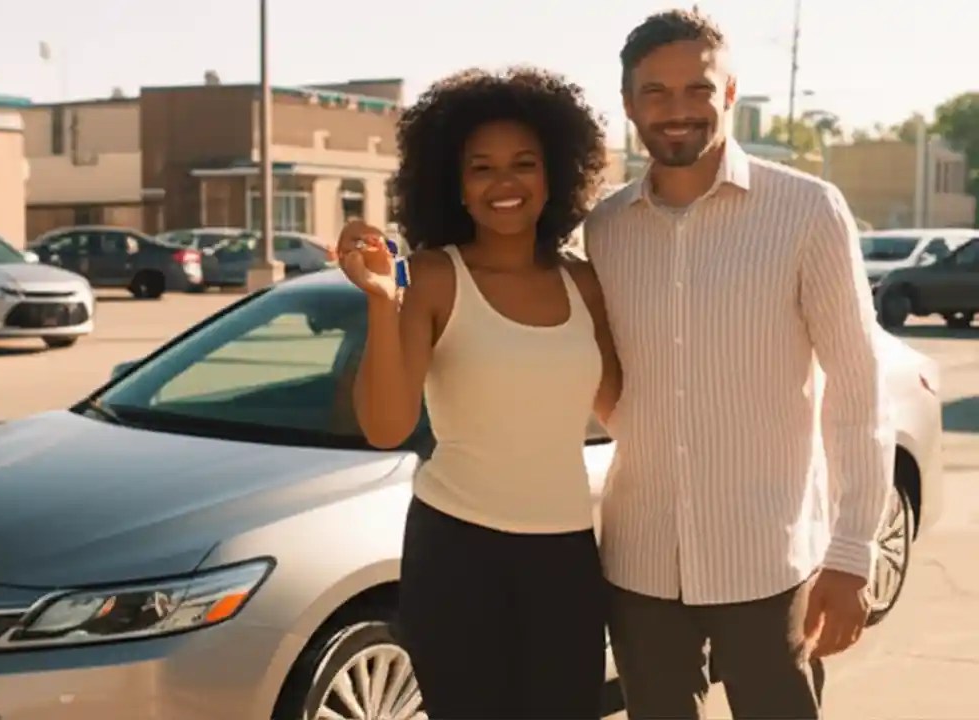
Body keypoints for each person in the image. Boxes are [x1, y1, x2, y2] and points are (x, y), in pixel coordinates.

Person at [585, 8, 894, 719]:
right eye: (655, 92)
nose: (677, 110)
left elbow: (857, 387)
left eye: (697, 88)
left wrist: (851, 552)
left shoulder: (808, 210)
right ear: (629, 104)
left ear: (729, 93)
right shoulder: (603, 228)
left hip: (766, 556)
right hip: (639, 559)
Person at [337, 67, 620, 719]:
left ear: (553, 175)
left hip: (567, 555)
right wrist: (383, 305)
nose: (504, 184)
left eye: (524, 163)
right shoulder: (434, 279)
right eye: (481, 168)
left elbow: (628, 409)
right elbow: (386, 426)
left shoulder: (587, 285)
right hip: (458, 550)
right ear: (455, 186)